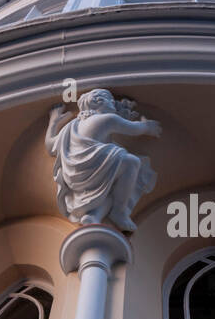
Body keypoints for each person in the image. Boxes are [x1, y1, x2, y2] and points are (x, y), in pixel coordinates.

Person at [46, 88, 161, 232]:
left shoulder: (71, 126)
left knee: (111, 189)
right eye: (110, 100)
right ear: (98, 102)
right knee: (132, 162)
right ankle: (120, 211)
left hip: (77, 177)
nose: (113, 103)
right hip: (97, 165)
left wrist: (53, 121)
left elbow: (50, 146)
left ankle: (93, 216)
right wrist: (148, 126)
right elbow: (134, 129)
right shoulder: (107, 119)